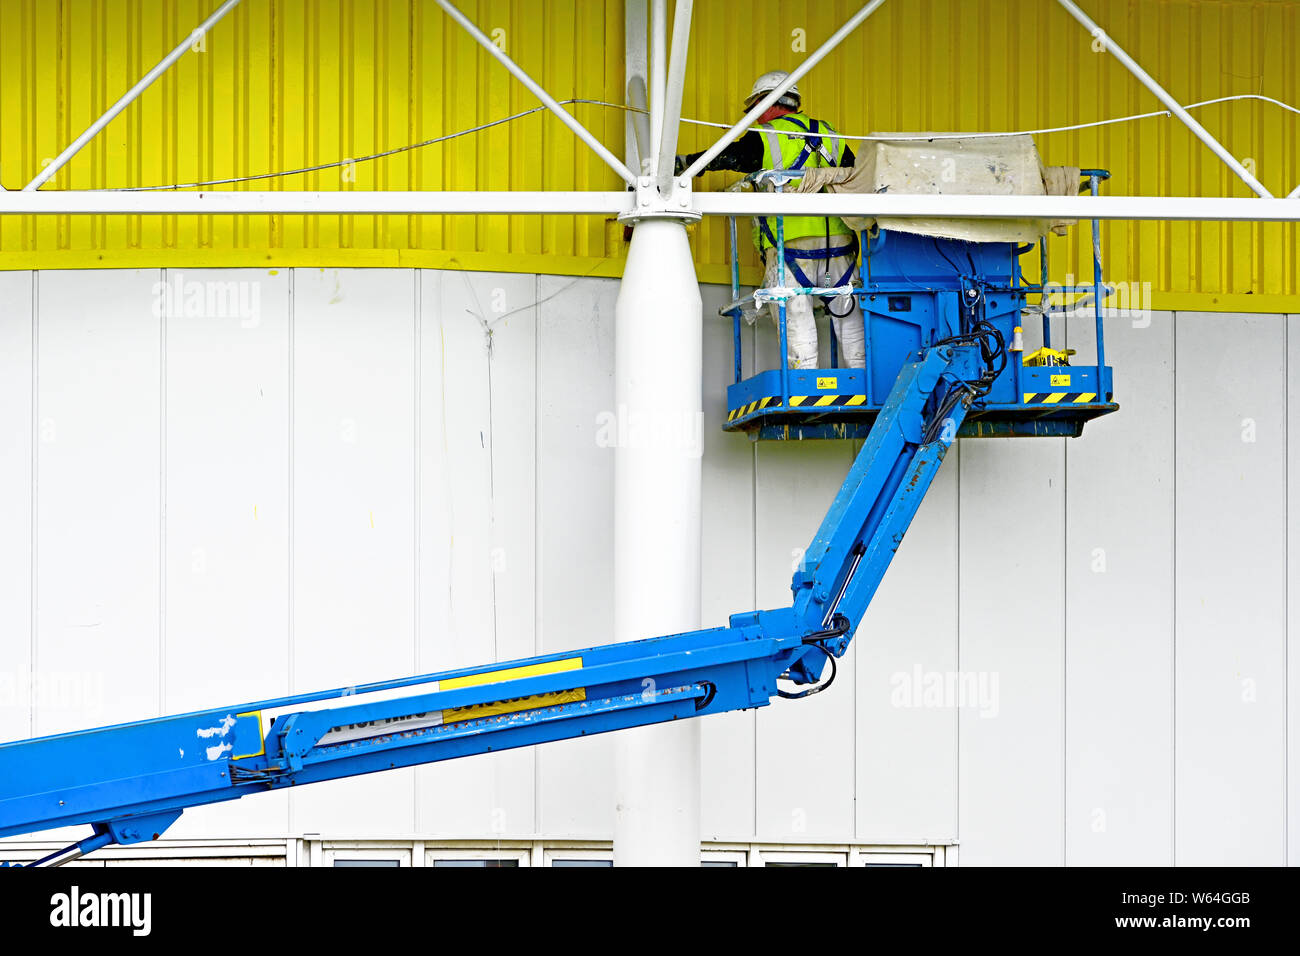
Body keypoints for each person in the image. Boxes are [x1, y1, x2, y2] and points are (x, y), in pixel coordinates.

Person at [676, 70, 865, 371]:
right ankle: (864, 385)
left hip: (790, 243)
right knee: (852, 320)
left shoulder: (767, 135)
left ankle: (805, 394)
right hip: (839, 245)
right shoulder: (829, 134)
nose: (754, 118)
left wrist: (686, 164)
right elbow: (856, 175)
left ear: (768, 102)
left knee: (796, 320)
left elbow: (728, 155)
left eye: (754, 110)